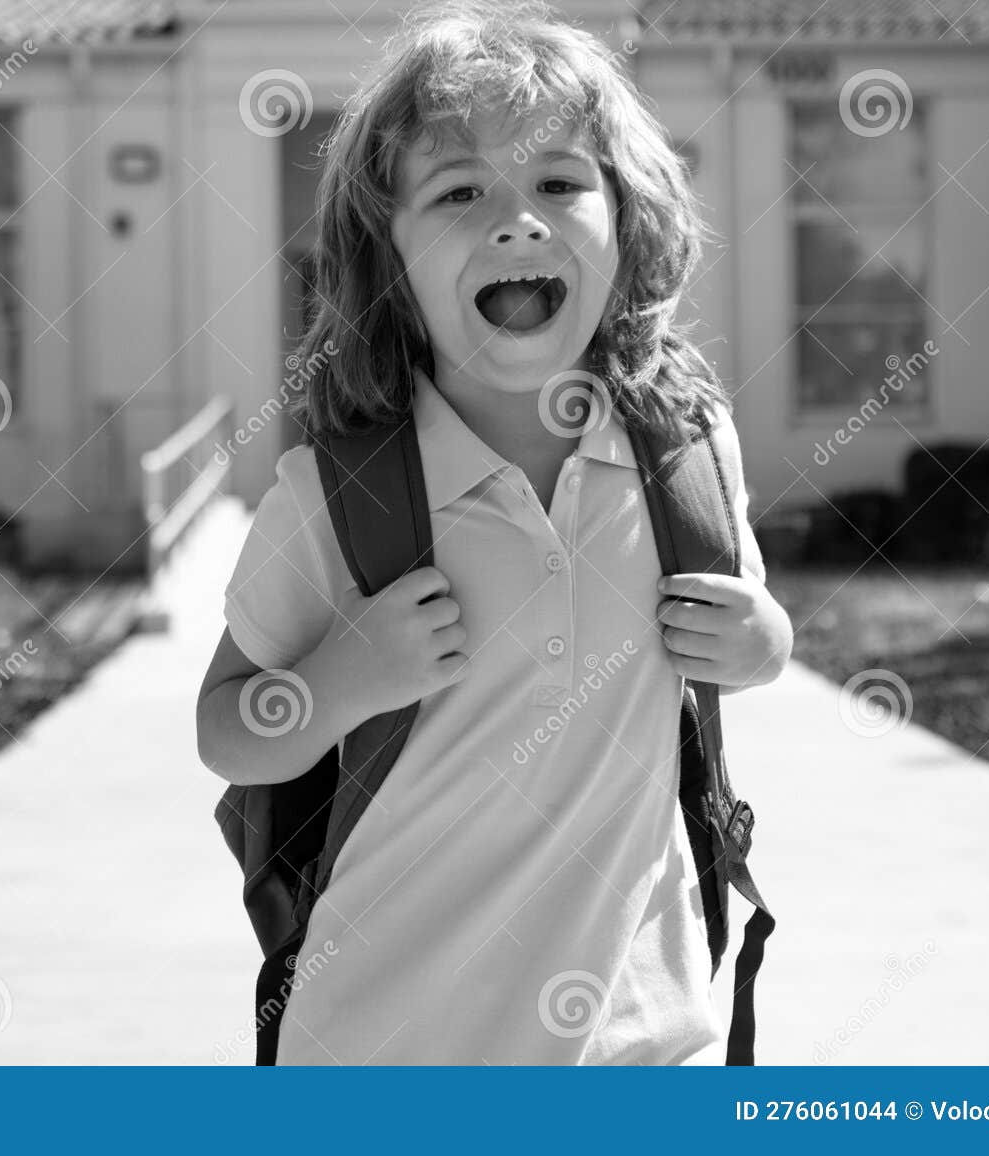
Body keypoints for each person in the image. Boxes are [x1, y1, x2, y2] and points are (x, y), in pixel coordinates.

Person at [195, 0, 793, 1065]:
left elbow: (743, 639)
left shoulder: (684, 457)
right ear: (391, 260)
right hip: (386, 1050)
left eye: (560, 183)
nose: (516, 221)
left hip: (644, 1039)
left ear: (628, 224)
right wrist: (340, 683)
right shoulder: (335, 496)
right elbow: (226, 728)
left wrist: (763, 644)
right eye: (460, 191)